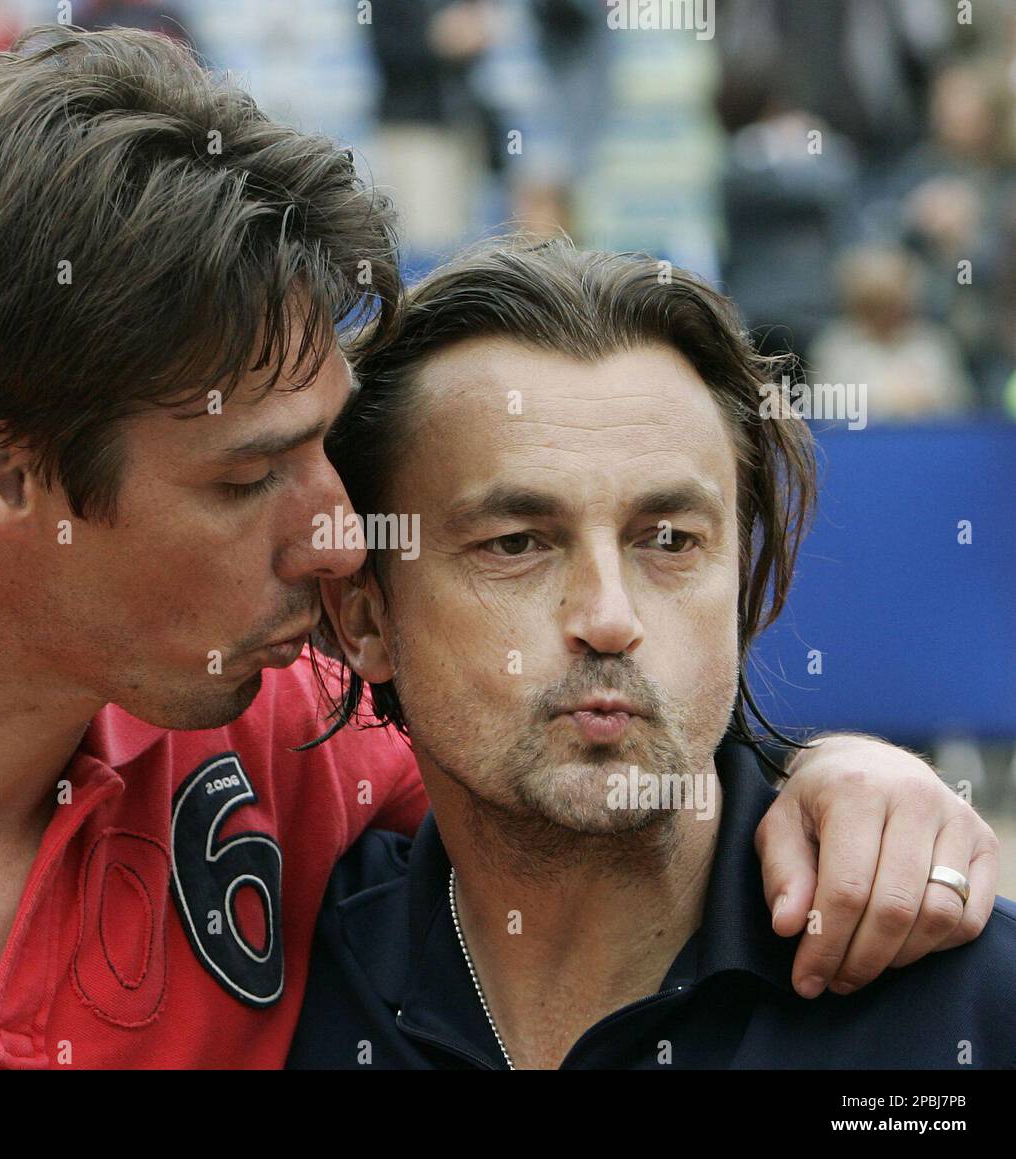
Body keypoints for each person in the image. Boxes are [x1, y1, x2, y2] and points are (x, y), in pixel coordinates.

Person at [0, 27, 997, 1071]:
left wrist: (832, 776)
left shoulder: (286, 727)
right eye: (250, 477)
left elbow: (595, 757)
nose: (339, 537)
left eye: (326, 448)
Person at [286, 239, 1015, 1069]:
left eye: (669, 540)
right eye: (516, 542)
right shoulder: (278, 974)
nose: (608, 616)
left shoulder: (967, 1006)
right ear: (364, 618)